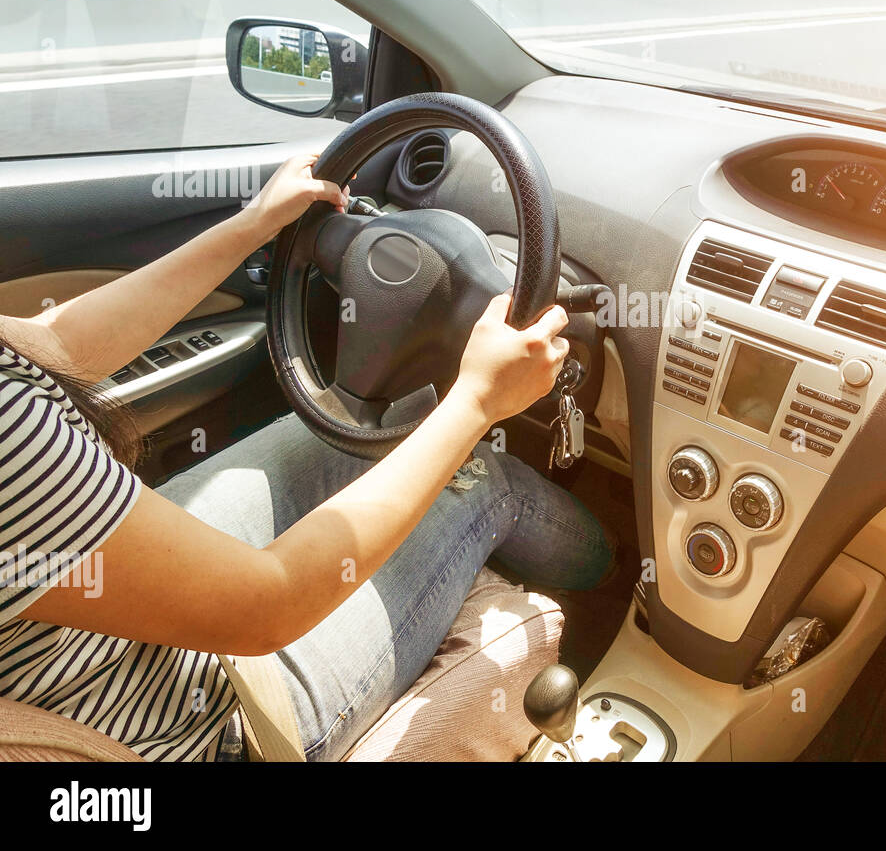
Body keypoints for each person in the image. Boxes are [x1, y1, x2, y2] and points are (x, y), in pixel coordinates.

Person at [0, 153, 612, 762]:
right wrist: (479, 400)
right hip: (188, 723)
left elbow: (56, 343)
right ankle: (621, 598)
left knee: (350, 437)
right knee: (479, 476)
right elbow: (268, 605)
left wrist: (253, 224)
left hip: (90, 625)